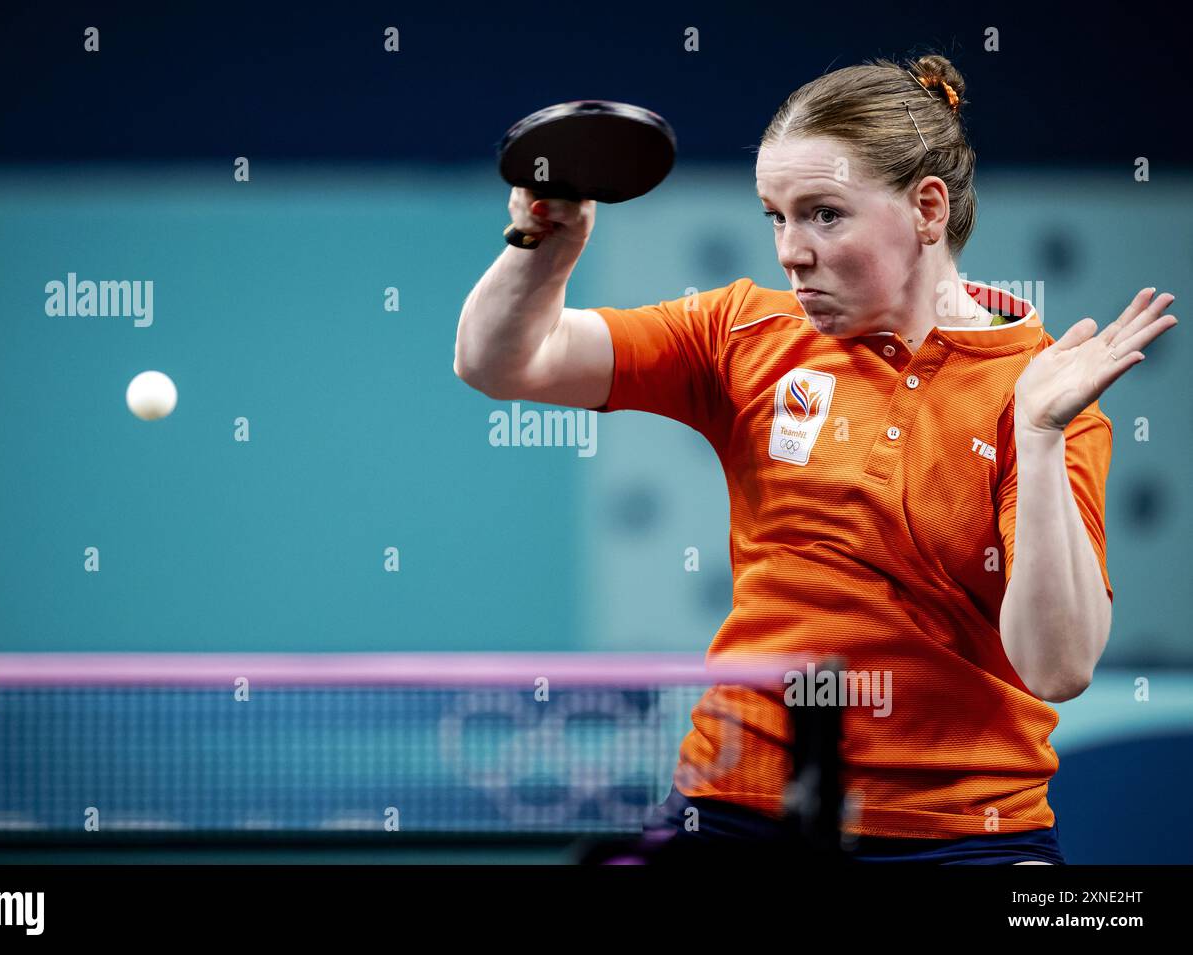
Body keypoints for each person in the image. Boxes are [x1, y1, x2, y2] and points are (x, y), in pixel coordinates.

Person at [453, 53, 1178, 863]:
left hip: (961, 835)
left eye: (824, 214)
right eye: (776, 216)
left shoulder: (1047, 393)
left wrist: (1039, 436)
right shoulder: (739, 332)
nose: (792, 251)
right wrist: (542, 244)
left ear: (927, 209)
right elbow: (501, 362)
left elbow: (1058, 666)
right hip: (736, 806)